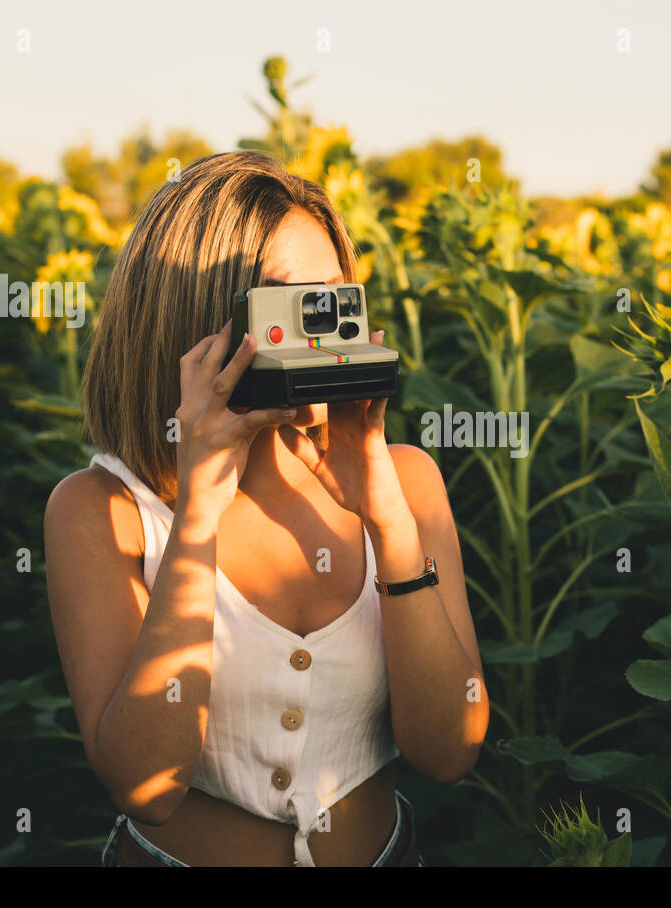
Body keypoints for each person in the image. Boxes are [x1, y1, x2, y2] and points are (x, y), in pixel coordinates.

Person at [43, 150, 487, 866]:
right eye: (293, 300)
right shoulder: (103, 509)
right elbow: (147, 786)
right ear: (202, 318)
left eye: (337, 299)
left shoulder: (408, 482)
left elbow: (449, 751)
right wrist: (198, 521)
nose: (328, 327)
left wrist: (389, 523)